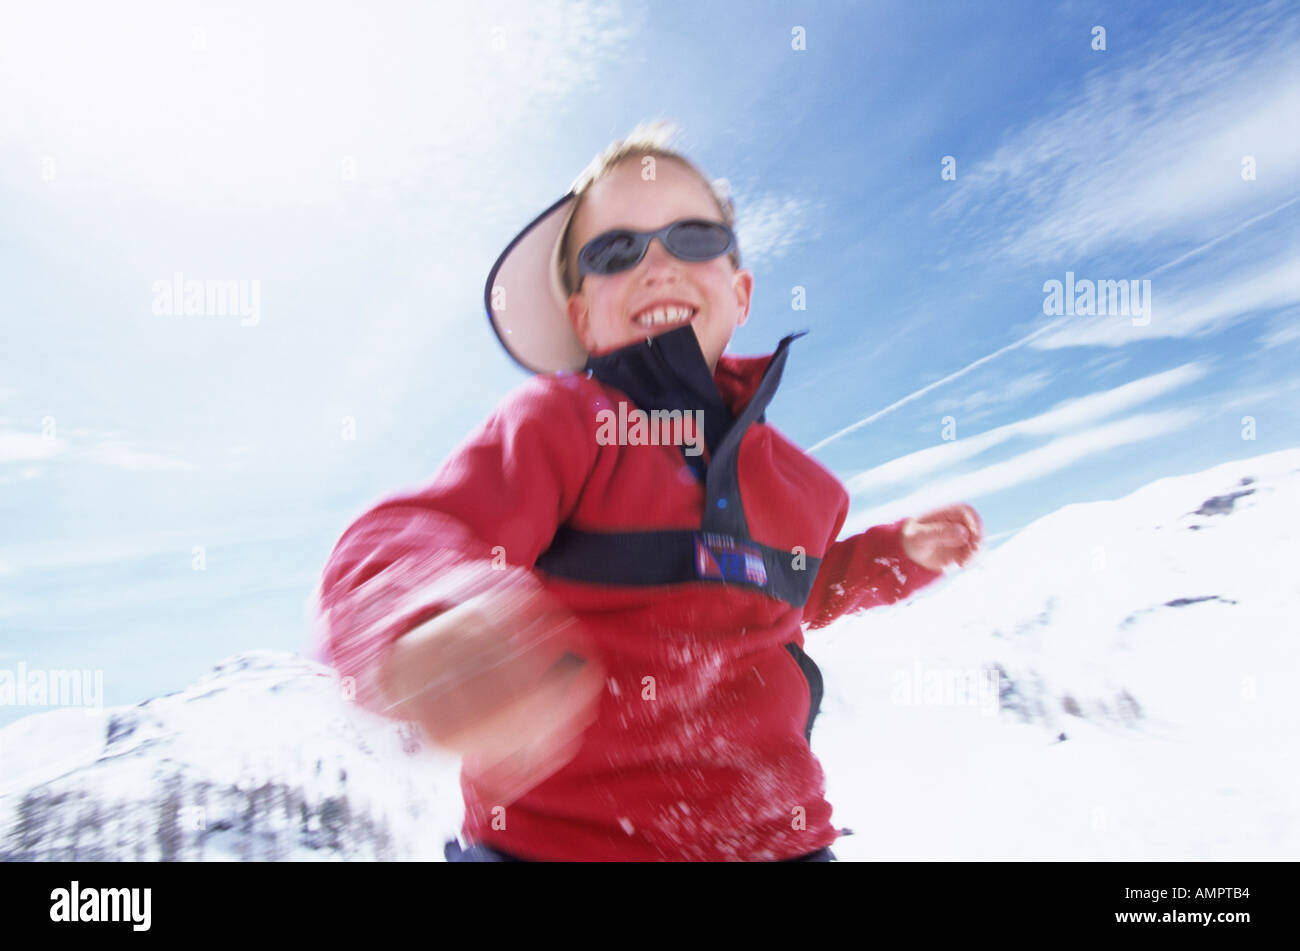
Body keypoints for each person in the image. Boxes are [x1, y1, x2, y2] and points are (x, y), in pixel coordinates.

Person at [312, 119, 983, 862]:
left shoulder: (805, 485)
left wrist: (901, 554)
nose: (658, 264)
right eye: (615, 251)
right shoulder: (562, 425)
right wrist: (427, 614)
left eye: (692, 238)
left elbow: (807, 590)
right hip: (553, 847)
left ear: (742, 290)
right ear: (581, 318)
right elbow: (414, 530)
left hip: (781, 840)